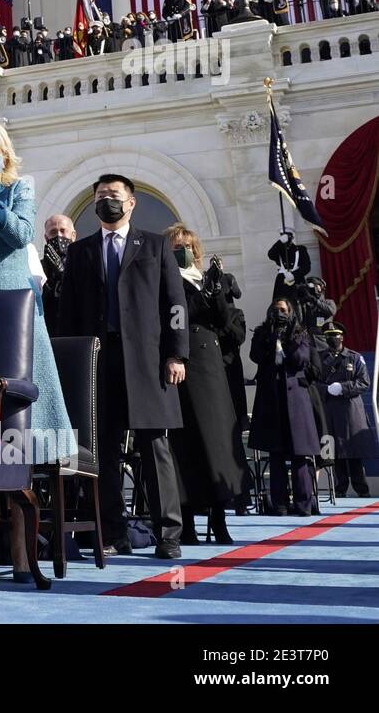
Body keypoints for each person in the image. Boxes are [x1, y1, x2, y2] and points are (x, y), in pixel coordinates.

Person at [0, 121, 73, 579]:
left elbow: (20, 235)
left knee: (16, 432)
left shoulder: (19, 187)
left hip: (15, 321)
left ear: (6, 156)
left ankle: (25, 556)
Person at [57, 173, 188, 558]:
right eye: (100, 195)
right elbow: (68, 314)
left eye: (113, 195)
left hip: (148, 362)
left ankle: (169, 534)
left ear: (131, 203)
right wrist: (70, 363)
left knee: (156, 447)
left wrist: (177, 353)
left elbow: (175, 302)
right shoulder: (79, 253)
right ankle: (113, 533)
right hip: (99, 363)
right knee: (104, 451)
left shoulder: (155, 245)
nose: (106, 201)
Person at [163, 224, 251, 545]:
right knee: (185, 445)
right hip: (182, 366)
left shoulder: (208, 279)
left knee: (217, 445)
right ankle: (186, 521)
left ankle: (219, 517)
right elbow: (177, 318)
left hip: (211, 368)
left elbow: (228, 327)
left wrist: (217, 294)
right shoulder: (167, 281)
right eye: (176, 245)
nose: (182, 249)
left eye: (186, 244)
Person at [249, 297, 321, 516]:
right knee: (276, 454)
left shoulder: (300, 333)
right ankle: (279, 504)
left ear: (290, 312)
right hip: (272, 399)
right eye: (275, 309)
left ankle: (303, 504)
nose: (279, 313)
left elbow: (300, 359)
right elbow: (255, 356)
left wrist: (286, 342)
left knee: (300, 455)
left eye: (283, 310)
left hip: (295, 400)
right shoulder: (263, 333)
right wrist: (272, 341)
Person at [318, 321, 376, 498]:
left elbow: (364, 383)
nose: (332, 338)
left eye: (335, 335)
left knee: (354, 452)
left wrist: (342, 388)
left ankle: (362, 490)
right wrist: (325, 389)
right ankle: (339, 490)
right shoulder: (320, 358)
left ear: (342, 337)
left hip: (351, 411)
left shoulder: (354, 357)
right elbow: (313, 383)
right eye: (328, 336)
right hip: (331, 410)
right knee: (335, 453)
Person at [40, 213, 76, 332]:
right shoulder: (39, 266)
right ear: (46, 238)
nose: (59, 236)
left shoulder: (83, 262)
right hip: (48, 330)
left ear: (73, 235)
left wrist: (62, 273)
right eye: (53, 232)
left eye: (63, 231)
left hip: (74, 330)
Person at [268, 228, 310, 300]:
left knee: (304, 304)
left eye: (287, 236)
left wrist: (294, 275)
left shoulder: (300, 249)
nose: (286, 239)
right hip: (282, 281)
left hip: (297, 280)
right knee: (278, 305)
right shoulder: (279, 250)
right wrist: (280, 242)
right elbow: (270, 255)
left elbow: (306, 267)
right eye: (282, 236)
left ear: (292, 237)